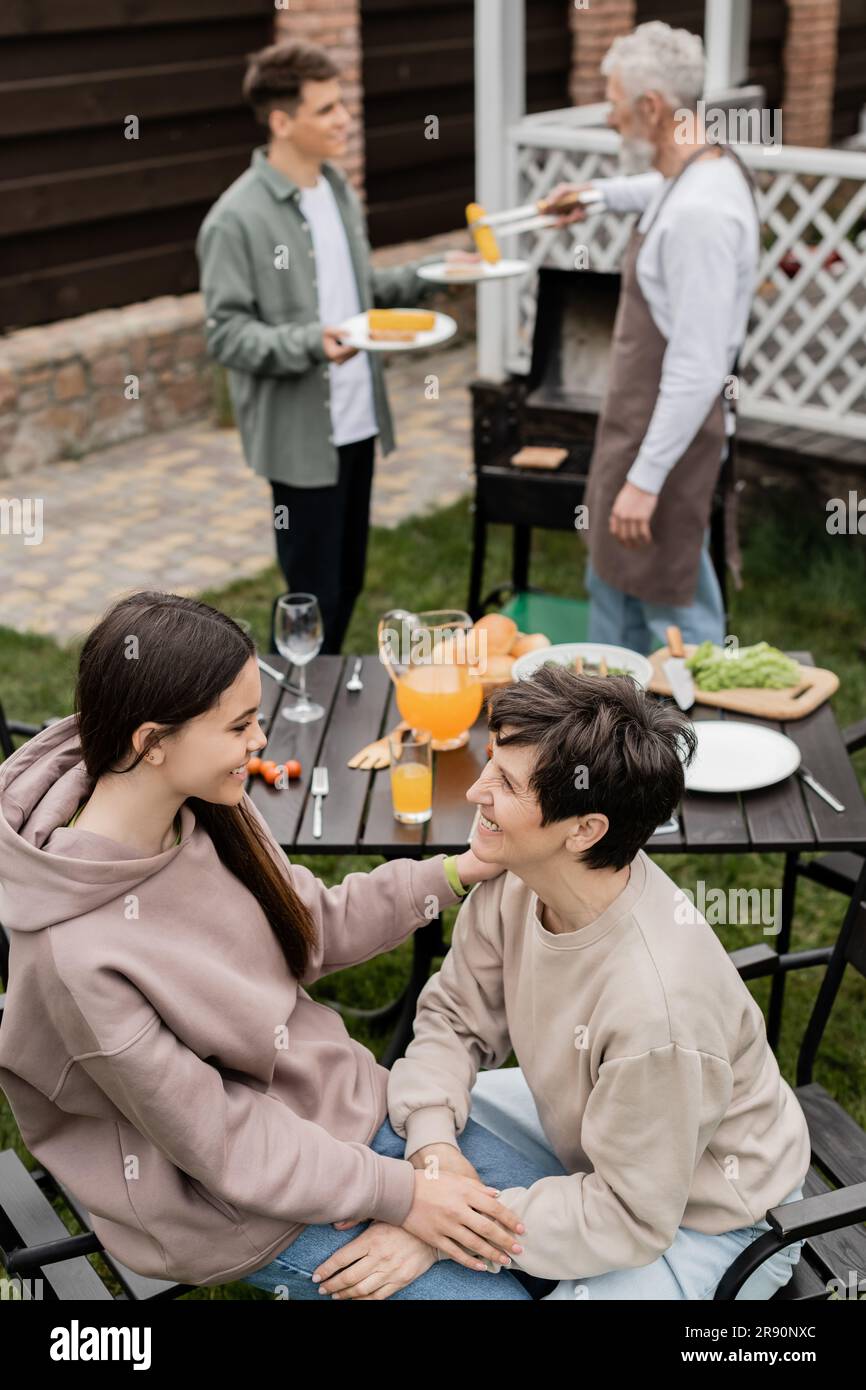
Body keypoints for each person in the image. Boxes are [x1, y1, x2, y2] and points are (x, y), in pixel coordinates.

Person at [0, 590, 563, 1301]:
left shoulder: (205, 804)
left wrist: (454, 873)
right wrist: (408, 1197)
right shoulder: (74, 954)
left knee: (564, 1251)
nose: (259, 741)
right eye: (239, 725)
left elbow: (309, 928)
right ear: (152, 742)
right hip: (242, 1207)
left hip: (351, 1108)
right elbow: (221, 1141)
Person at [386, 664, 812, 1300]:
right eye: (490, 764)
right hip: (589, 1133)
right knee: (384, 1128)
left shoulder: (657, 1008)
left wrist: (442, 1224)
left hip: (708, 1223)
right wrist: (431, 1150)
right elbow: (454, 1018)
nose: (476, 791)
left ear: (584, 829)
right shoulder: (517, 872)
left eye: (504, 782)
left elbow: (630, 1216)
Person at [196, 41, 475, 654]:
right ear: (281, 121)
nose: (344, 119)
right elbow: (225, 332)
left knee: (347, 581)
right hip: (300, 438)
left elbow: (361, 291)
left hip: (358, 420)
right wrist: (311, 343)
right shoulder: (234, 220)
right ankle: (283, 713)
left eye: (341, 104)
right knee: (311, 590)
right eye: (326, 109)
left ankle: (311, 703)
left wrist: (435, 271)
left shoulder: (337, 190)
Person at [546, 22, 761, 654]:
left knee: (675, 605)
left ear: (650, 107)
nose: (609, 118)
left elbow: (697, 366)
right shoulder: (702, 164)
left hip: (669, 440)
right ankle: (616, 732)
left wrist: (645, 481)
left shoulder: (700, 217)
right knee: (616, 587)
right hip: (643, 432)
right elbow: (660, 187)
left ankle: (704, 730)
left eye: (613, 102)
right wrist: (595, 195)